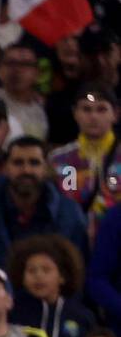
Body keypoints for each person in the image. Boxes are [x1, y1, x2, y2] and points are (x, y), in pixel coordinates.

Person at [0, 137, 89, 268]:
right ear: (5, 168)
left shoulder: (70, 214)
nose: (26, 170)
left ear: (46, 168)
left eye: (34, 163)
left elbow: (77, 269)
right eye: (18, 163)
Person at [7, 234, 97, 337]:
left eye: (46, 270)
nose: (38, 276)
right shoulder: (12, 312)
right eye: (31, 270)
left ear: (62, 276)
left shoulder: (81, 316)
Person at [47, 84, 121, 232]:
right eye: (86, 109)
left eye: (101, 109)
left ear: (116, 114)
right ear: (75, 113)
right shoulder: (59, 159)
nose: (93, 116)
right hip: (73, 237)